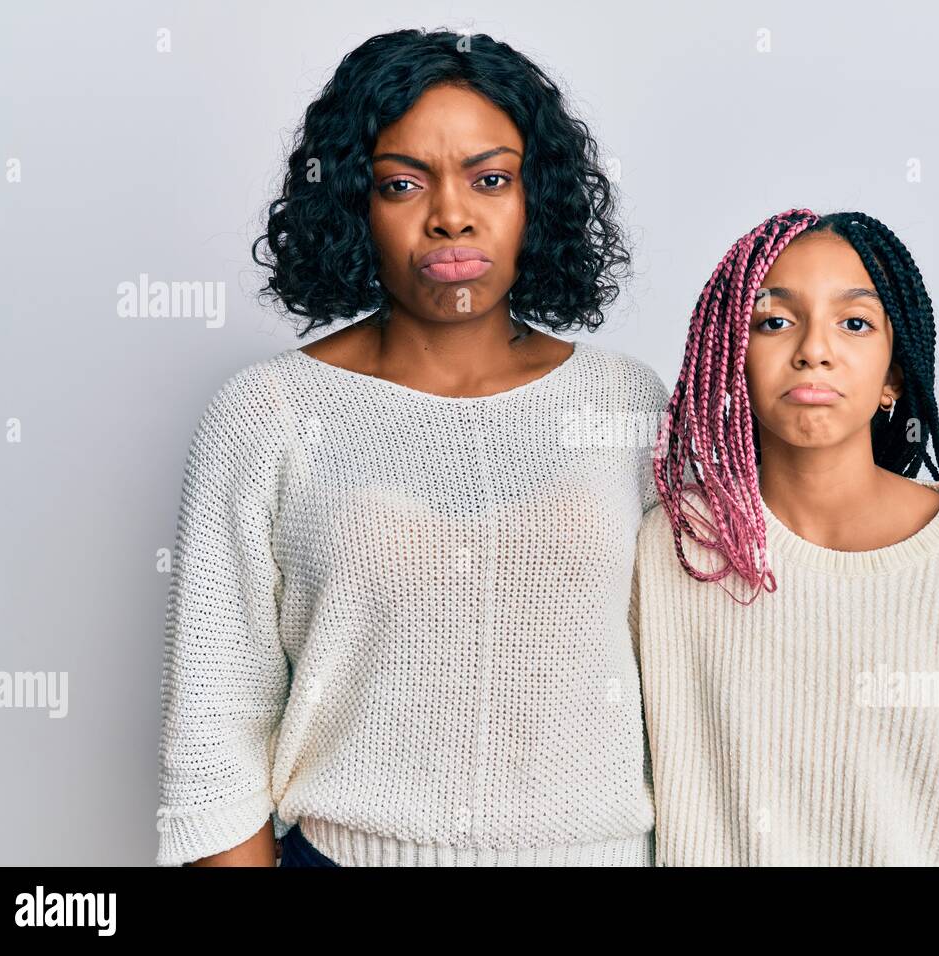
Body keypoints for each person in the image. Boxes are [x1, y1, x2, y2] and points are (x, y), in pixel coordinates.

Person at [155, 28, 668, 867]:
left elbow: (688, 680)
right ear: (354, 205)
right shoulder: (267, 414)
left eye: (491, 178)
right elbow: (215, 724)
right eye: (401, 184)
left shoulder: (626, 402)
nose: (451, 215)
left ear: (537, 200)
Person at [631, 208, 939, 865]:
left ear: (893, 375)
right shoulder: (674, 547)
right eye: (774, 320)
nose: (812, 349)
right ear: (732, 357)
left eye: (854, 322)